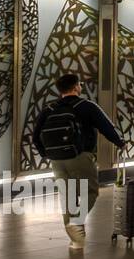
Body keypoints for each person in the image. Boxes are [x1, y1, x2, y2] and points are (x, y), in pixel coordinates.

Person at [32, 73, 126, 249]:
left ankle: (76, 240)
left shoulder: (49, 108)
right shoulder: (86, 106)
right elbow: (106, 126)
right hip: (80, 156)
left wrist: (46, 153)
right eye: (80, 84)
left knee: (67, 196)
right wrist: (120, 143)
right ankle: (77, 223)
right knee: (90, 192)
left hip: (56, 160)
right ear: (76, 87)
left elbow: (36, 136)